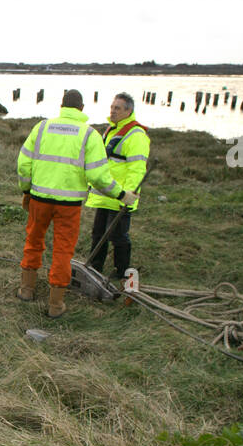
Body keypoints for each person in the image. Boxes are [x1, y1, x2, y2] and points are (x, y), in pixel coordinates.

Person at [17, 90, 129, 318]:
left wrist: (26, 190)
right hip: (69, 205)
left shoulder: (42, 128)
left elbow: (23, 164)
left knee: (33, 241)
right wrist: (120, 194)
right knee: (62, 250)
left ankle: (26, 290)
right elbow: (99, 177)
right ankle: (55, 304)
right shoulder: (89, 135)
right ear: (82, 108)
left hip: (39, 199)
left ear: (62, 105)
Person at [86, 93, 150, 280]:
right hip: (107, 194)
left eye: (118, 108)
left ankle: (122, 271)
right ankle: (95, 267)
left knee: (118, 236)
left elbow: (137, 168)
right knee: (98, 234)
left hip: (122, 196)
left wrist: (128, 195)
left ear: (128, 111)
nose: (112, 111)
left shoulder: (136, 135)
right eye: (112, 107)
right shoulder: (112, 131)